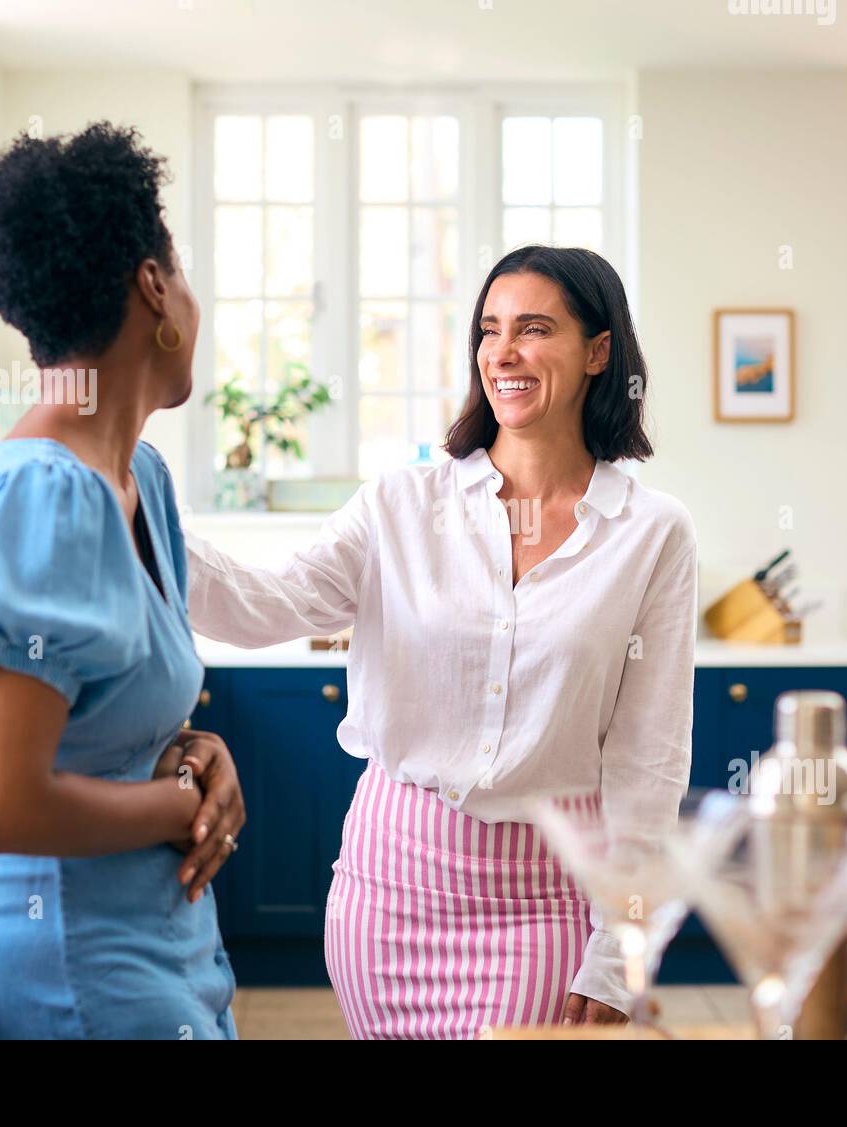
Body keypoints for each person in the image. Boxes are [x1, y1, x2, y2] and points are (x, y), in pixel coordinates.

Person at [185, 245, 697, 1038]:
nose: (505, 352)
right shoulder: (400, 503)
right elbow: (270, 603)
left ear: (600, 351)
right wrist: (137, 519)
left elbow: (648, 763)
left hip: (542, 910)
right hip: (384, 898)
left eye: (535, 329)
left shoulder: (652, 534)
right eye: (490, 331)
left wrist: (617, 951)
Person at [0, 123, 245, 1039]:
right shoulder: (40, 494)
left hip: (159, 955)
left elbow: (105, 719)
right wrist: (180, 804)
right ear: (153, 285)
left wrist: (195, 751)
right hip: (70, 975)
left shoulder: (143, 482)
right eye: (178, 271)